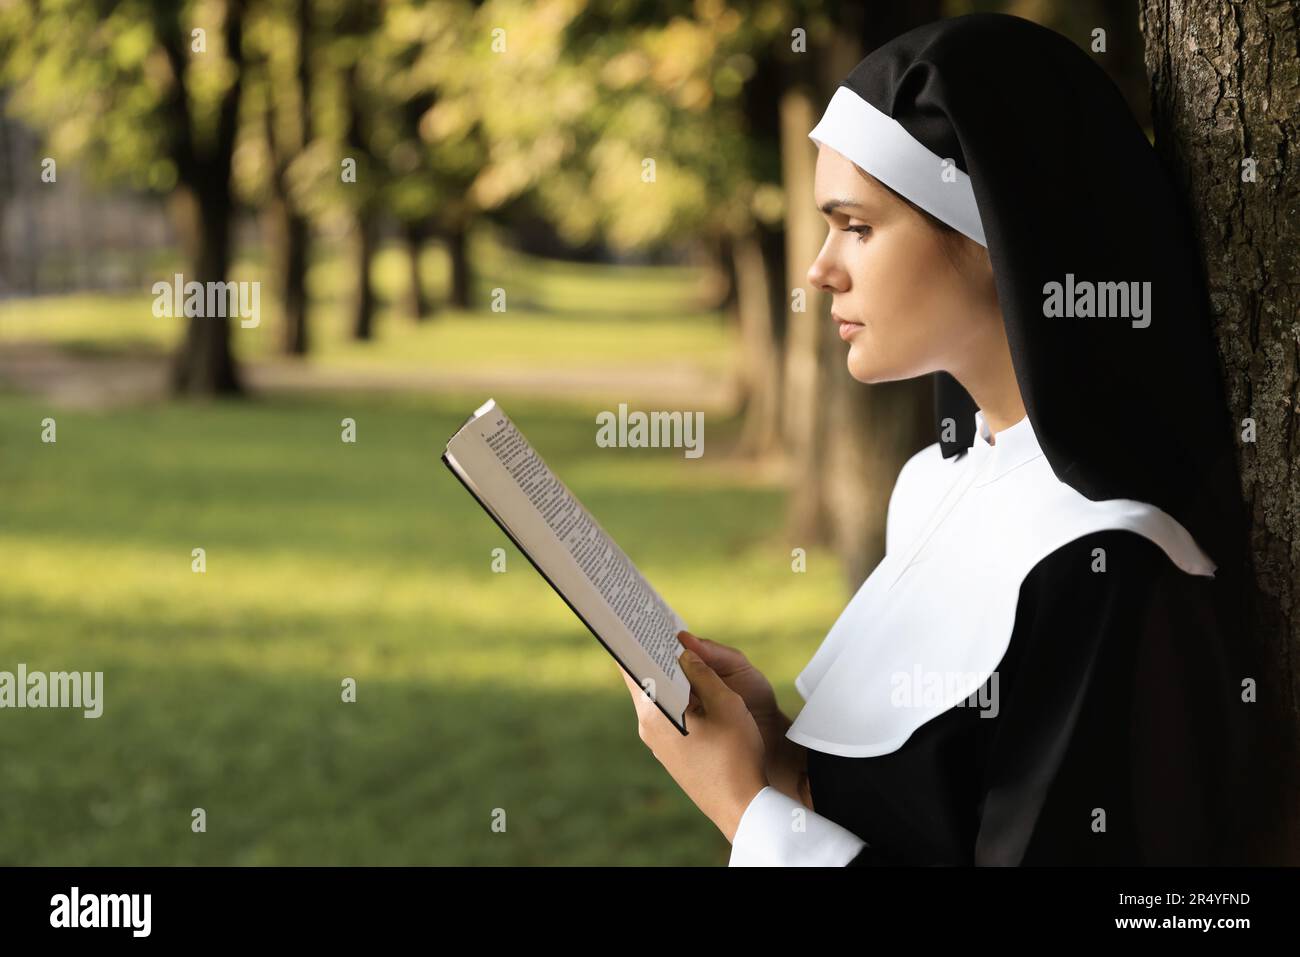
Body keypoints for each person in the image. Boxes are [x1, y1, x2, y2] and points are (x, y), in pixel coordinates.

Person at [618, 13, 1253, 866]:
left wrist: (746, 812)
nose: (819, 269)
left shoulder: (1108, 566)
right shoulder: (932, 486)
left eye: (858, 226)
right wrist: (781, 757)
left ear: (999, 239)